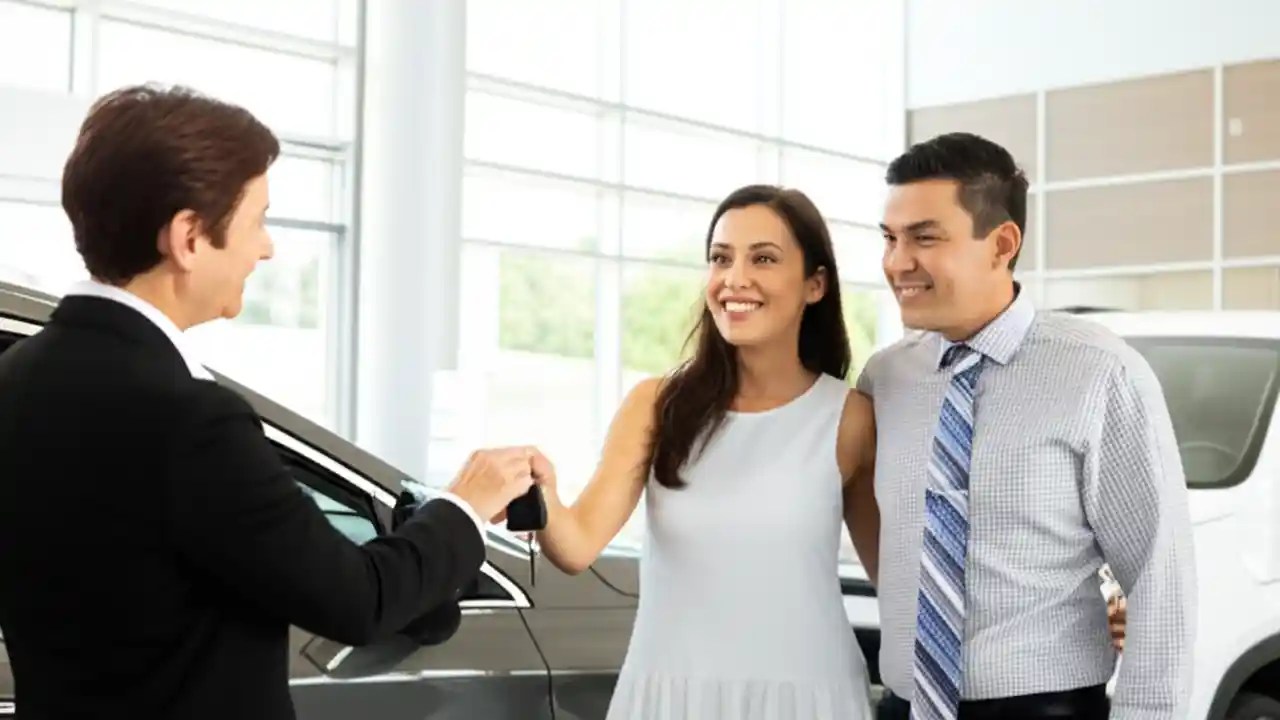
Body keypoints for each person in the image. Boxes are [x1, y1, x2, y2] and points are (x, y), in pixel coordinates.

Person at [0, 85, 535, 720]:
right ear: (189, 237)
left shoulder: (16, 376)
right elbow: (358, 599)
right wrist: (466, 505)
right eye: (257, 220)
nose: (267, 247)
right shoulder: (192, 421)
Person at [860, 132, 1196, 720]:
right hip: (905, 707)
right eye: (889, 239)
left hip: (1044, 708)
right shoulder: (885, 380)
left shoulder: (1100, 372)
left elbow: (1160, 581)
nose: (897, 262)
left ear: (1002, 243)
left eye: (924, 238)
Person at [529, 183, 882, 719]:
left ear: (815, 284)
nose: (734, 279)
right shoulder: (656, 406)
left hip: (808, 698)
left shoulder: (850, 418)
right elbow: (576, 546)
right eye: (721, 258)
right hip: (669, 698)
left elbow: (895, 582)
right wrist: (539, 492)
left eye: (763, 258)